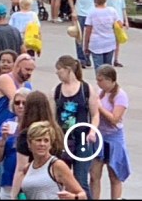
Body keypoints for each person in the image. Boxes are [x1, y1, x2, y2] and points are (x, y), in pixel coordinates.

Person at [53, 55, 99, 198]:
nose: (57, 73)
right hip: (63, 139)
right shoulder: (57, 90)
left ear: (67, 70)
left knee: (80, 180)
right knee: (61, 179)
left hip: (82, 139)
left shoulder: (86, 89)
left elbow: (95, 114)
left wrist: (92, 131)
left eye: (59, 70)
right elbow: (53, 116)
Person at [12, 121, 87, 200]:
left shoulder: (57, 165)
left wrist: (73, 197)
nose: (42, 144)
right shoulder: (27, 168)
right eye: (38, 140)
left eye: (46, 140)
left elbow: (83, 195)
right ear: (29, 143)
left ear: (50, 144)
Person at [92, 64, 130, 199]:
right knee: (94, 175)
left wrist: (100, 108)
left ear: (110, 80)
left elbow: (114, 119)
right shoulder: (100, 92)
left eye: (100, 80)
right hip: (99, 137)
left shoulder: (120, 95)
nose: (98, 82)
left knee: (114, 176)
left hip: (114, 138)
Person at [83, 0, 120, 69]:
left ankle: (100, 80)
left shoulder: (92, 12)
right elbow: (119, 25)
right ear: (105, 0)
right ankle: (108, 81)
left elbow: (88, 30)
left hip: (96, 43)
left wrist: (86, 45)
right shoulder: (112, 11)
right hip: (110, 42)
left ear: (95, 0)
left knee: (99, 68)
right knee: (108, 67)